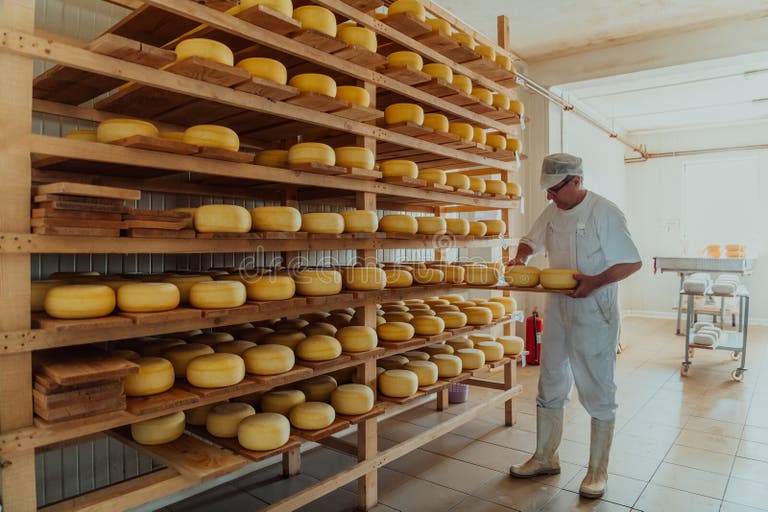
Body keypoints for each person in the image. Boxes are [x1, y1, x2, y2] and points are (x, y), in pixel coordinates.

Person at [507, 153, 641, 499]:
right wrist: (521, 256)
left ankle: (597, 470)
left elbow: (631, 261)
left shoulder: (604, 212)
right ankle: (545, 457)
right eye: (546, 191)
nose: (548, 196)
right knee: (550, 379)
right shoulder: (552, 212)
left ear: (576, 182)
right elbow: (531, 239)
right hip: (559, 308)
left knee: (597, 386)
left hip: (594, 311)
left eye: (553, 190)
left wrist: (594, 282)